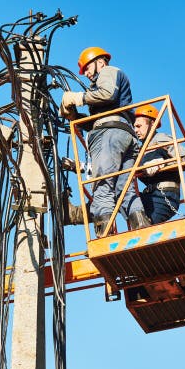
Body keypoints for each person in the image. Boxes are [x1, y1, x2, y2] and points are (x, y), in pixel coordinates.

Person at [60, 47, 150, 234]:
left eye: (87, 68)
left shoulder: (108, 71)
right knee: (124, 189)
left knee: (102, 183)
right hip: (122, 134)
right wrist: (76, 117)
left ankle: (104, 234)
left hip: (110, 135)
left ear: (99, 61)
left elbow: (108, 93)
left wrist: (78, 98)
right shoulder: (107, 91)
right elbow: (99, 119)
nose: (86, 74)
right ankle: (141, 227)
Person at [133, 104, 185, 224]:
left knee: (146, 228)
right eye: (134, 127)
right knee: (121, 198)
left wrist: (163, 164)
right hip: (150, 196)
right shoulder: (141, 151)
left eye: (139, 126)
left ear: (152, 124)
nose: (136, 130)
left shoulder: (161, 139)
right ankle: (88, 212)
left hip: (165, 196)